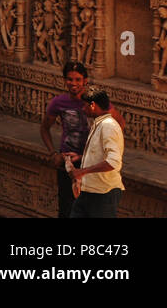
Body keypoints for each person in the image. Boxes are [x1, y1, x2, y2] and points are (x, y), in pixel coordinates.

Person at [40, 60, 123, 218]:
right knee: (68, 208)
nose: (73, 83)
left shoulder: (98, 109)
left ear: (85, 81)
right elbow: (44, 128)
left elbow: (119, 124)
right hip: (71, 161)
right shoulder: (59, 103)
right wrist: (53, 154)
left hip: (94, 167)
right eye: (70, 79)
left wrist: (107, 146)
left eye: (78, 79)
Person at [69, 91, 124, 218]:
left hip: (103, 194)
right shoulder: (99, 124)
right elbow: (101, 154)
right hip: (88, 191)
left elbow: (113, 162)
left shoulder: (108, 126)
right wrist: (82, 158)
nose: (83, 108)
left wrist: (83, 171)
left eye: (85, 105)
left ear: (92, 105)